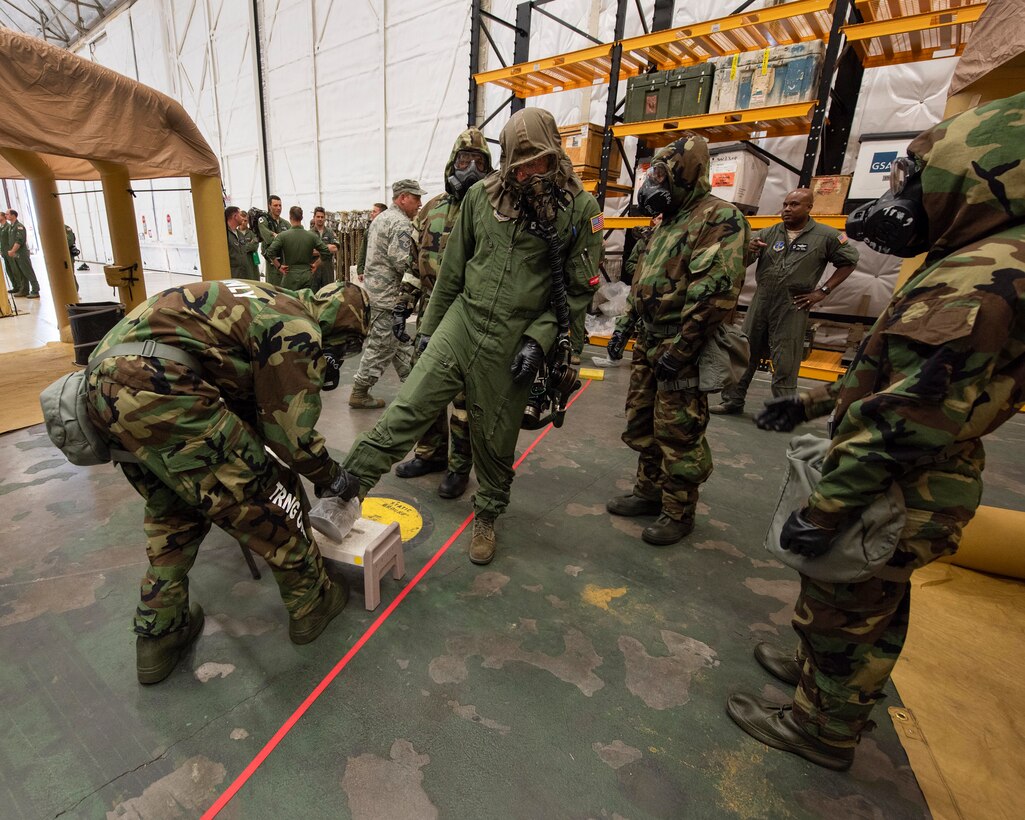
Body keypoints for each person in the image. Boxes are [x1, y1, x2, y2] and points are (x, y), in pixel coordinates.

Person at [726, 91, 1025, 772]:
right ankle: (825, 679)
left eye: (918, 179)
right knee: (871, 596)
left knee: (849, 598)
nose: (899, 196)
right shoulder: (987, 256)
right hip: (915, 472)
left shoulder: (977, 278)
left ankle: (820, 727)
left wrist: (827, 507)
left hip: (896, 481)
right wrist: (811, 405)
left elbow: (904, 416)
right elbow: (895, 375)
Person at [342, 107, 602, 565]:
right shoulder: (483, 197)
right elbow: (451, 274)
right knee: (409, 408)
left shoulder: (580, 209)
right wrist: (428, 331)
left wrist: (540, 339)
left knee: (495, 439)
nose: (527, 176)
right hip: (464, 319)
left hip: (515, 336)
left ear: (554, 155)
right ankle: (344, 491)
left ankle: (487, 514)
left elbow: (577, 292)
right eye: (518, 167)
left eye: (538, 164)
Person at [84, 280, 367, 684]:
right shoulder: (299, 329)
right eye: (346, 348)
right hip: (161, 384)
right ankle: (312, 601)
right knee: (269, 495)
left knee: (177, 508)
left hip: (101, 385)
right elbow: (291, 439)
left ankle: (160, 633)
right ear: (342, 329)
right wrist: (332, 477)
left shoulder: (271, 297)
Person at [603, 134, 749, 546]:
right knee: (643, 422)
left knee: (678, 431)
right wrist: (624, 327)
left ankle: (678, 510)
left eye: (662, 176)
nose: (654, 184)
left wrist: (683, 349)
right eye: (652, 176)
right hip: (649, 343)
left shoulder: (719, 218)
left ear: (686, 174)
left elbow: (715, 294)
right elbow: (641, 282)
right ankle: (648, 492)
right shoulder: (665, 222)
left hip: (680, 346)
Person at [392, 127, 493, 499]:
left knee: (464, 399)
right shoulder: (430, 209)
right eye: (464, 161)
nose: (470, 169)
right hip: (429, 319)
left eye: (478, 162)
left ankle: (459, 467)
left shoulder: (493, 212)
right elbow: (413, 265)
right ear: (452, 163)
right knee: (425, 390)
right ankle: (430, 454)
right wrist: (402, 305)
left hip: (469, 322)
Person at [713, 189, 859, 414]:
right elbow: (741, 263)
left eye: (794, 204)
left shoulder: (826, 236)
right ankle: (732, 401)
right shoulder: (768, 233)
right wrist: (748, 250)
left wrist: (822, 291)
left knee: (785, 359)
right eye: (785, 204)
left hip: (793, 304)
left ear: (809, 207)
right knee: (745, 352)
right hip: (761, 300)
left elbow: (849, 261)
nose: (787, 209)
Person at [348, 181, 423, 409]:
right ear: (403, 198)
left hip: (376, 293)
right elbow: (402, 261)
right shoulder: (400, 223)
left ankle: (414, 388)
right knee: (381, 346)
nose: (420, 203)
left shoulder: (381, 218)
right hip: (388, 297)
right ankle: (359, 391)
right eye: (416, 198)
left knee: (398, 343)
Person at [262, 205, 335, 291]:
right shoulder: (311, 236)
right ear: (302, 218)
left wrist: (279, 266)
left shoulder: (283, 236)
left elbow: (270, 252)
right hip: (307, 276)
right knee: (307, 298)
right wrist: (316, 264)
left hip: (290, 276)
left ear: (290, 218)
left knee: (290, 299)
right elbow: (326, 252)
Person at [7, 209, 40, 298]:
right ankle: (24, 290)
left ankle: (35, 290)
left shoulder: (19, 226)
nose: (6, 216)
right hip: (16, 254)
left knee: (28, 271)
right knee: (21, 273)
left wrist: (12, 251)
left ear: (13, 215)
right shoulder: (11, 227)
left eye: (7, 214)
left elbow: (19, 240)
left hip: (21, 253)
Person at [256, 195, 288, 285]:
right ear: (269, 206)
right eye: (275, 205)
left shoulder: (285, 223)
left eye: (280, 205)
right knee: (273, 289)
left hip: (285, 262)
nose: (279, 208)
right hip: (273, 264)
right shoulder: (264, 221)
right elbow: (268, 238)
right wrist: (282, 238)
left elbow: (292, 239)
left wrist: (276, 236)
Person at [225, 206, 260, 280]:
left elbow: (252, 246)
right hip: (233, 276)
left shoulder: (240, 234)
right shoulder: (224, 234)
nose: (242, 218)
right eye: (240, 215)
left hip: (246, 274)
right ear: (235, 216)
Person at [310, 206, 340, 290]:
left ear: (325, 218)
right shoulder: (309, 234)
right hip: (314, 269)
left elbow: (335, 248)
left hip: (327, 269)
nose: (320, 219)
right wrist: (327, 249)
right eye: (318, 217)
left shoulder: (330, 232)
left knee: (328, 293)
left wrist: (317, 250)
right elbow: (308, 251)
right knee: (313, 293)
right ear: (314, 217)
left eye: (322, 217)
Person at [356, 203, 387, 282]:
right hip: (371, 272)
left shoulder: (389, 231)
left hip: (386, 272)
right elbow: (363, 251)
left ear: (382, 214)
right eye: (372, 211)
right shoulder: (369, 232)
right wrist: (360, 270)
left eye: (374, 212)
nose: (371, 214)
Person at [0, 210, 24, 296]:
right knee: (9, 270)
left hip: (10, 250)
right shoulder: (2, 228)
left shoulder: (8, 227)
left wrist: (13, 250)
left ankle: (20, 287)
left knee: (15, 269)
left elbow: (12, 239)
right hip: (4, 251)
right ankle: (15, 286)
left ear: (3, 217)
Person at [238, 210, 262, 280]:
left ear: (248, 221)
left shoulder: (252, 233)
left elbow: (255, 246)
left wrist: (241, 247)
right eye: (242, 220)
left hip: (252, 265)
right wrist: (249, 244)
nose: (243, 222)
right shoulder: (235, 233)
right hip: (241, 266)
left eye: (245, 221)